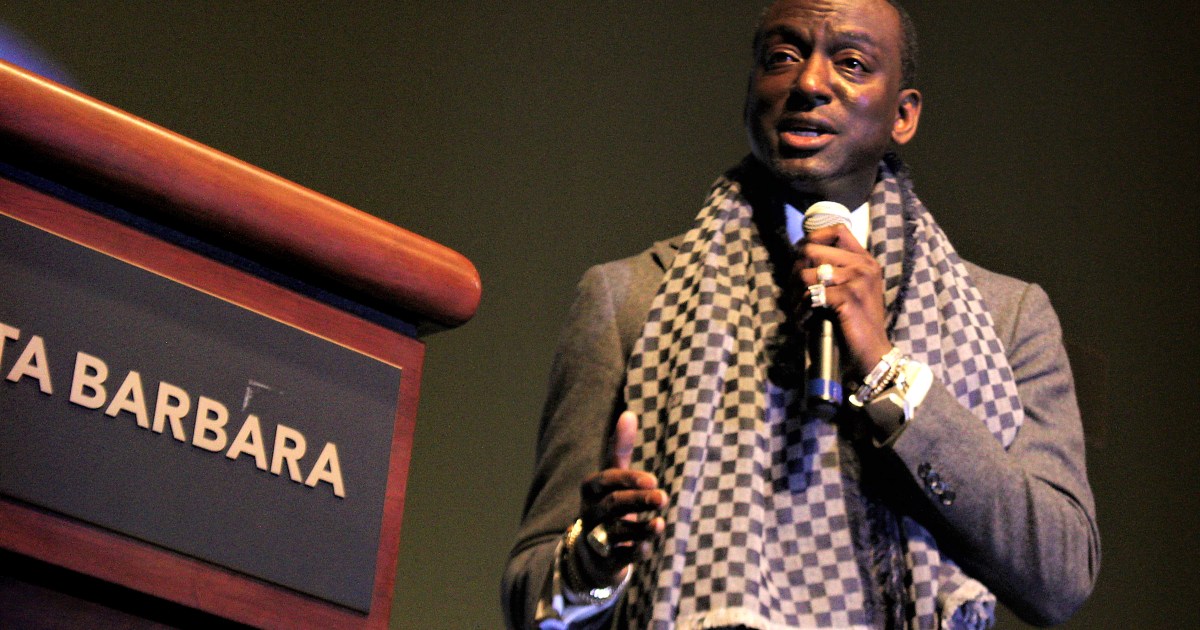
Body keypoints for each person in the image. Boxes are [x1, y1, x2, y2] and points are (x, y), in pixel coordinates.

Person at [502, 1, 1099, 628]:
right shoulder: (630, 299)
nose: (809, 83)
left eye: (851, 62)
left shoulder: (1007, 318)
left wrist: (891, 374)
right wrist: (592, 562)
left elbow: (1060, 577)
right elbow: (527, 594)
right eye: (782, 57)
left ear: (903, 114)